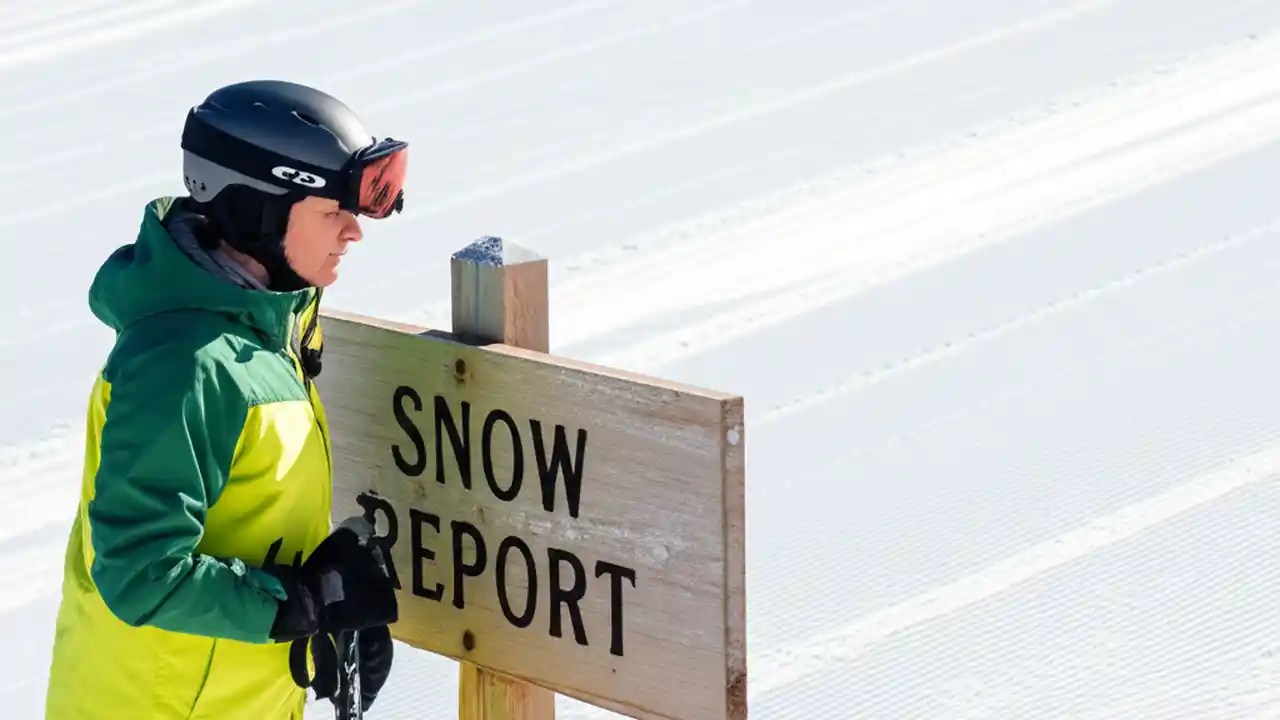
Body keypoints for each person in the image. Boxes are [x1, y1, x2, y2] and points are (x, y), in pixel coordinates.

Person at [44, 80, 409, 719]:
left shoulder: (261, 341)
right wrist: (305, 602)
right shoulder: (183, 364)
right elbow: (141, 573)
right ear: (256, 211)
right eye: (332, 212)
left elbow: (244, 528)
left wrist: (323, 612)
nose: (353, 232)